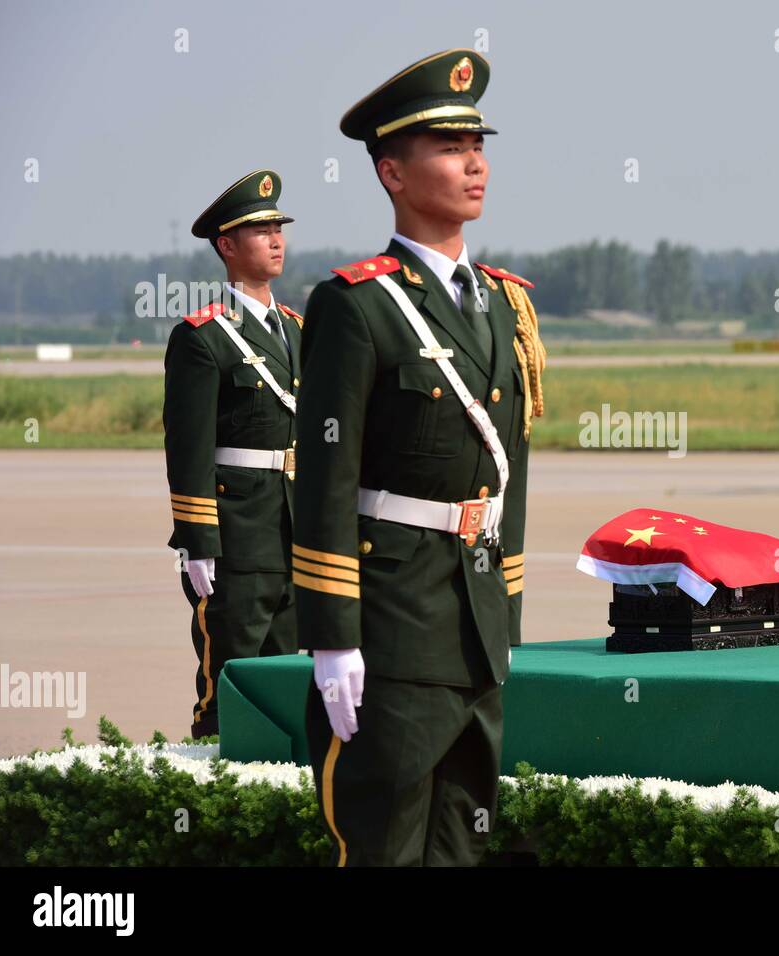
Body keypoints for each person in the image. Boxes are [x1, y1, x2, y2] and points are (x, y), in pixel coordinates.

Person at [293, 49, 545, 866]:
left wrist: (505, 608)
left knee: (462, 841)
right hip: (393, 621)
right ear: (391, 171)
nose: (474, 162)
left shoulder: (505, 304)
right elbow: (327, 476)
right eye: (447, 146)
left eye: (477, 142)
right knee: (385, 843)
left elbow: (512, 469)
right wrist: (334, 636)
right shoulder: (355, 304)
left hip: (475, 620)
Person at [164, 169, 301, 739]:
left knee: (293, 679)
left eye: (278, 227)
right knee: (232, 680)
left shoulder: (298, 329)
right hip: (237, 536)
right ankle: (216, 796)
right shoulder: (203, 337)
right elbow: (188, 446)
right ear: (226, 245)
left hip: (295, 529)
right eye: (259, 229)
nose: (275, 239)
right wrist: (199, 542)